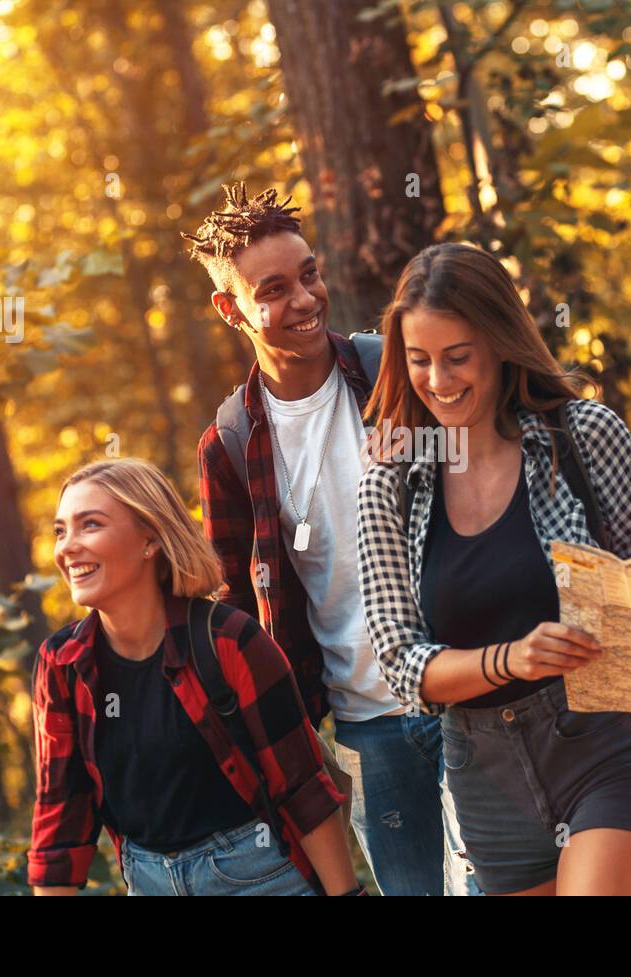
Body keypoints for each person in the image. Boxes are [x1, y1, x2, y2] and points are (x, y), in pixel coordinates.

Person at [356, 242, 631, 895]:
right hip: (484, 774)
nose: (439, 381)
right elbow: (403, 667)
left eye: (458, 357)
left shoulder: (581, 436)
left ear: (500, 342)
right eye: (420, 361)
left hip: (602, 736)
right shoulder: (388, 487)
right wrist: (514, 657)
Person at [187, 183, 478, 895]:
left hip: (468, 689)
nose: (307, 300)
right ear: (232, 309)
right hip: (366, 726)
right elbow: (231, 613)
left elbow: (491, 491)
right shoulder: (230, 444)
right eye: (275, 289)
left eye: (310, 274)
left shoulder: (398, 373)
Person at [27, 457, 359, 896]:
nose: (67, 547)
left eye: (90, 525)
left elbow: (302, 790)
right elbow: (61, 820)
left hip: (260, 877)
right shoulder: (62, 664)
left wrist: (347, 895)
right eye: (60, 530)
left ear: (150, 540)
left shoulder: (230, 641)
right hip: (148, 882)